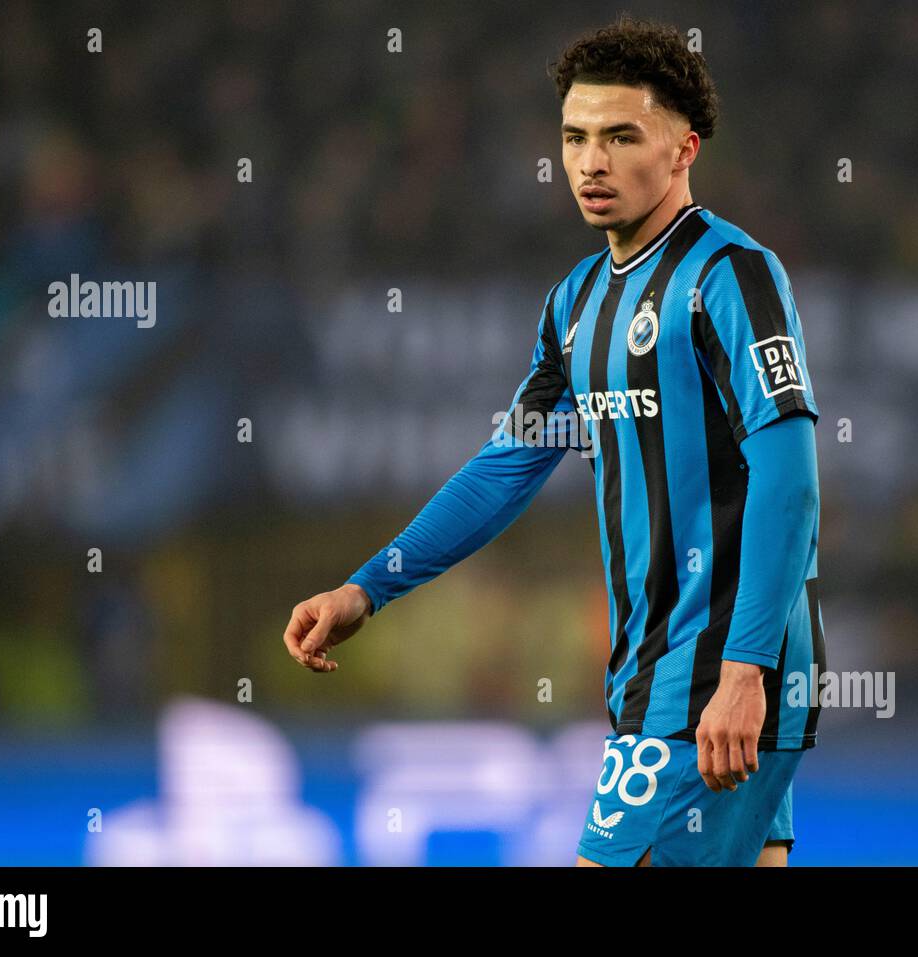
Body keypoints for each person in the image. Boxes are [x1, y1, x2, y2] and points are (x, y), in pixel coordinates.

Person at [282, 15, 825, 867]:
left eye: (621, 137)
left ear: (684, 149)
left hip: (710, 676)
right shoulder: (576, 305)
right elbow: (505, 468)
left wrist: (744, 669)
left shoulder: (729, 277)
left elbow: (789, 477)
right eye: (575, 137)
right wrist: (366, 588)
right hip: (666, 676)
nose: (590, 162)